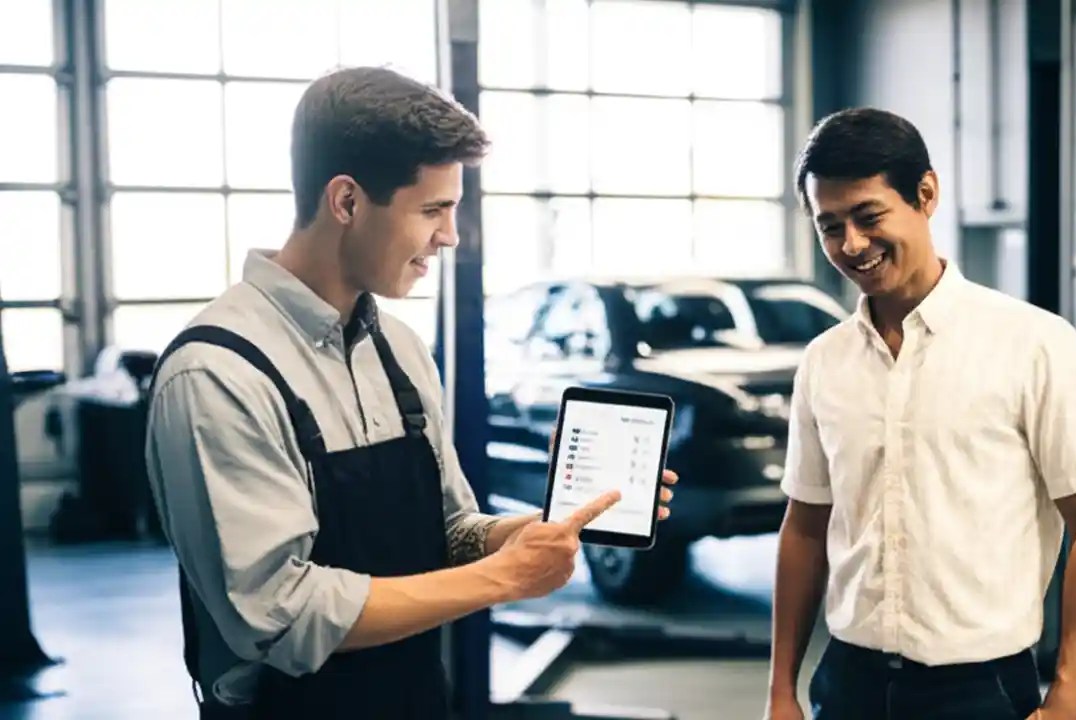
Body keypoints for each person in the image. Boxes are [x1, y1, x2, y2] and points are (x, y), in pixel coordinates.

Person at [144, 66, 678, 719]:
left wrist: (532, 535)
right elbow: (279, 615)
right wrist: (502, 580)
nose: (449, 237)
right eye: (433, 210)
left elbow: (448, 529)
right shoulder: (218, 375)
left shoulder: (398, 347)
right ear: (346, 202)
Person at [765, 108, 1076, 720]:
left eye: (868, 216)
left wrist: (1071, 693)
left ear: (925, 194)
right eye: (830, 227)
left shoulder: (1035, 343)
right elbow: (804, 528)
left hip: (980, 691)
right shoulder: (824, 362)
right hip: (848, 683)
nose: (852, 245)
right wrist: (780, 691)